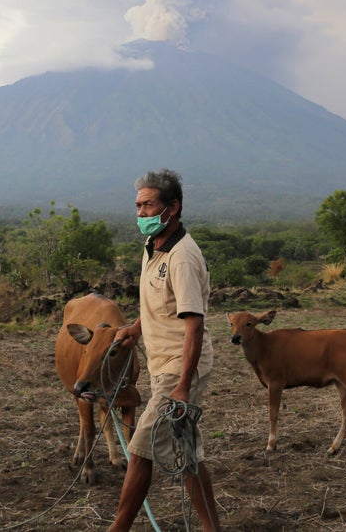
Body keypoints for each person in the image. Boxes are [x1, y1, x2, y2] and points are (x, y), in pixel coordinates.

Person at [109, 169, 221, 532]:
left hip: (180, 369)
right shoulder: (153, 246)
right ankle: (212, 528)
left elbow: (194, 324)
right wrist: (135, 329)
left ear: (172, 208)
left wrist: (183, 385)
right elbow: (162, 305)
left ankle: (118, 527)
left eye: (148, 205)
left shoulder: (182, 257)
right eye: (138, 205)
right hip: (163, 366)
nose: (141, 213)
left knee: (141, 447)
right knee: (186, 455)